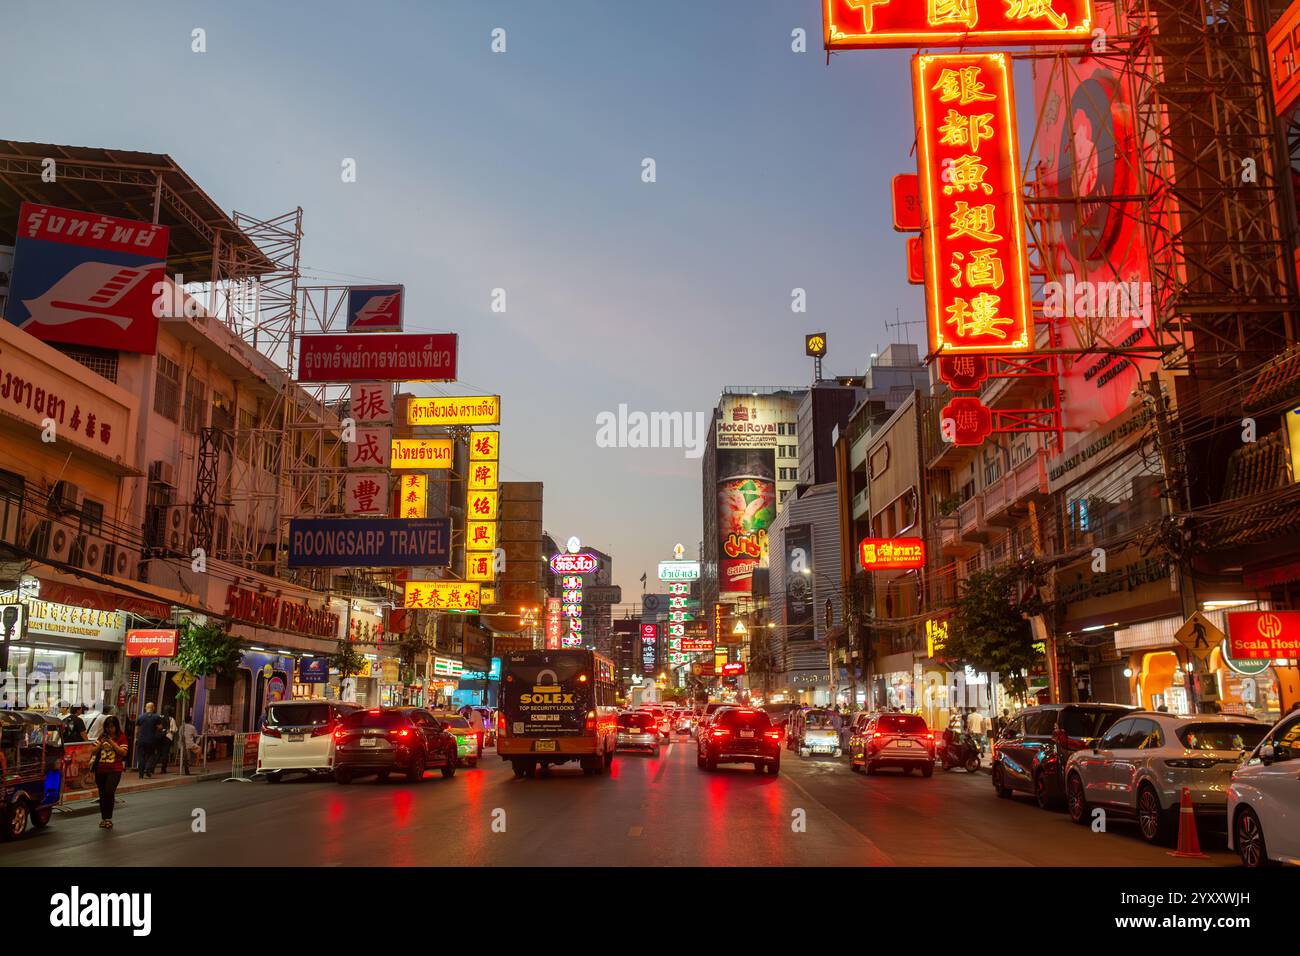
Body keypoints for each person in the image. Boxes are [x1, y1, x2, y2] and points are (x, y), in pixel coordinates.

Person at [92, 715, 128, 830]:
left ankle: (108, 818)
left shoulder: (121, 737)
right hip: (101, 769)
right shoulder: (102, 736)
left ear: (116, 727)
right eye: (107, 727)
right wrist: (100, 743)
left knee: (109, 792)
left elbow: (123, 752)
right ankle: (104, 818)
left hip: (114, 769)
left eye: (112, 727)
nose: (109, 729)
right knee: (102, 794)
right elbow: (93, 751)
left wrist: (111, 742)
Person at [134, 702, 165, 778]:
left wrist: (136, 738)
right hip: (151, 740)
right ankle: (148, 768)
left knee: (141, 756)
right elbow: (160, 727)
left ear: (145, 708)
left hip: (141, 740)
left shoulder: (140, 717)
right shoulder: (156, 717)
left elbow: (137, 729)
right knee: (152, 755)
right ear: (153, 708)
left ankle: (141, 774)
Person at [156, 706, 177, 773]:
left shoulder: (159, 717)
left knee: (158, 753)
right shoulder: (171, 719)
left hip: (159, 737)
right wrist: (169, 730)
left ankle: (151, 767)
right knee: (165, 753)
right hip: (168, 738)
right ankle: (163, 769)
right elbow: (174, 729)